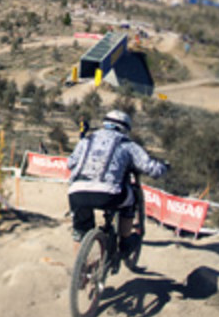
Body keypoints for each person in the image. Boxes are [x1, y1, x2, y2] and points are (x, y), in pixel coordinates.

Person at [67, 109, 168, 255]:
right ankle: (125, 242)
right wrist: (164, 167)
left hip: (77, 192)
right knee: (130, 201)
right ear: (126, 128)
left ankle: (80, 269)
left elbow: (70, 163)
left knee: (80, 231)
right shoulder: (127, 144)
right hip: (109, 194)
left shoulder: (86, 140)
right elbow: (150, 168)